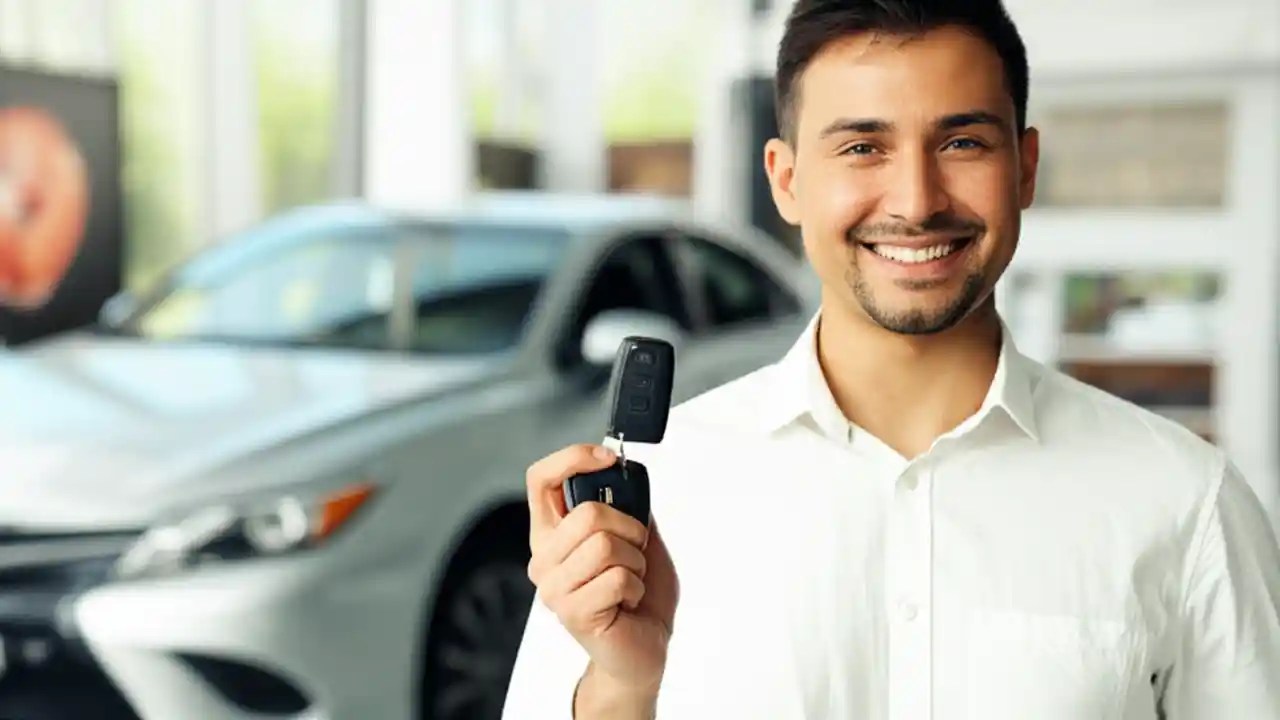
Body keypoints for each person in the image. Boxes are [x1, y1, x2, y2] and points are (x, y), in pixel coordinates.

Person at [503, 0, 1280, 717]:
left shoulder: (1185, 503)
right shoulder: (643, 508)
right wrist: (622, 687)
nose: (915, 200)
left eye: (963, 142)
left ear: (1026, 167)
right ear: (787, 180)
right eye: (863, 146)